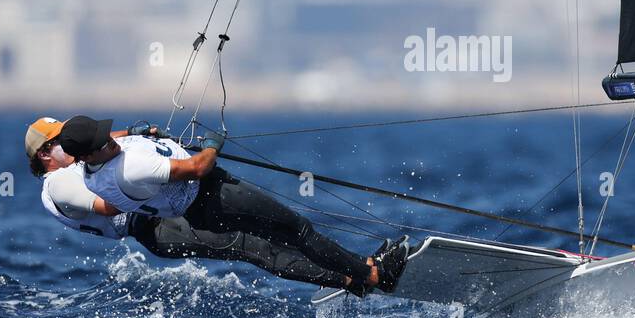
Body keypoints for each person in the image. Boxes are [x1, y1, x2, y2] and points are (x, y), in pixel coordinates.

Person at [25, 116, 408, 295]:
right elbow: (109, 205)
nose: (65, 146)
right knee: (258, 246)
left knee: (268, 241)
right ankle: (364, 277)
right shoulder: (61, 183)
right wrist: (158, 168)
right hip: (159, 224)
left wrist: (138, 136)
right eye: (58, 141)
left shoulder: (80, 165)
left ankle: (358, 273)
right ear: (47, 154)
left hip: (166, 213)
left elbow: (98, 148)